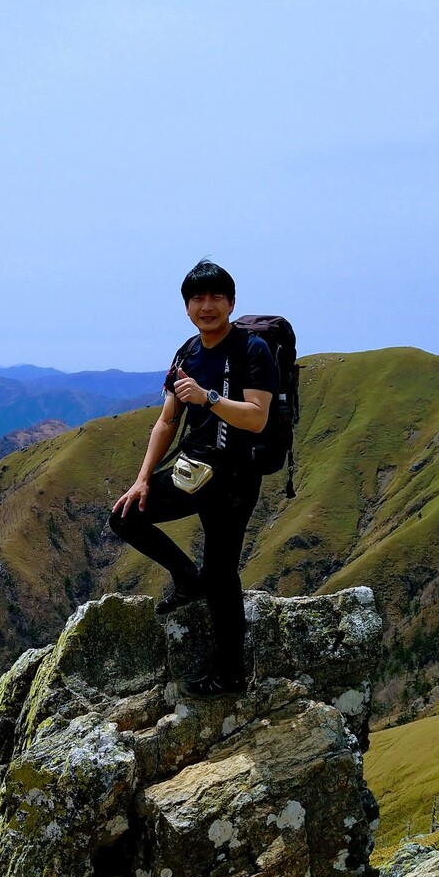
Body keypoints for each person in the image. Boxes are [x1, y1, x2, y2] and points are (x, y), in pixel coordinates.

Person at [109, 261, 277, 695]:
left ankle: (230, 674)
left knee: (223, 572)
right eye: (197, 299)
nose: (207, 306)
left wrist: (209, 398)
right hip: (194, 470)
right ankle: (188, 578)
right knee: (126, 516)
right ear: (186, 307)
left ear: (231, 302)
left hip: (236, 478)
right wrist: (142, 478)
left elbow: (257, 418)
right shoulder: (186, 353)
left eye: (215, 297)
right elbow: (167, 421)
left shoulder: (251, 350)